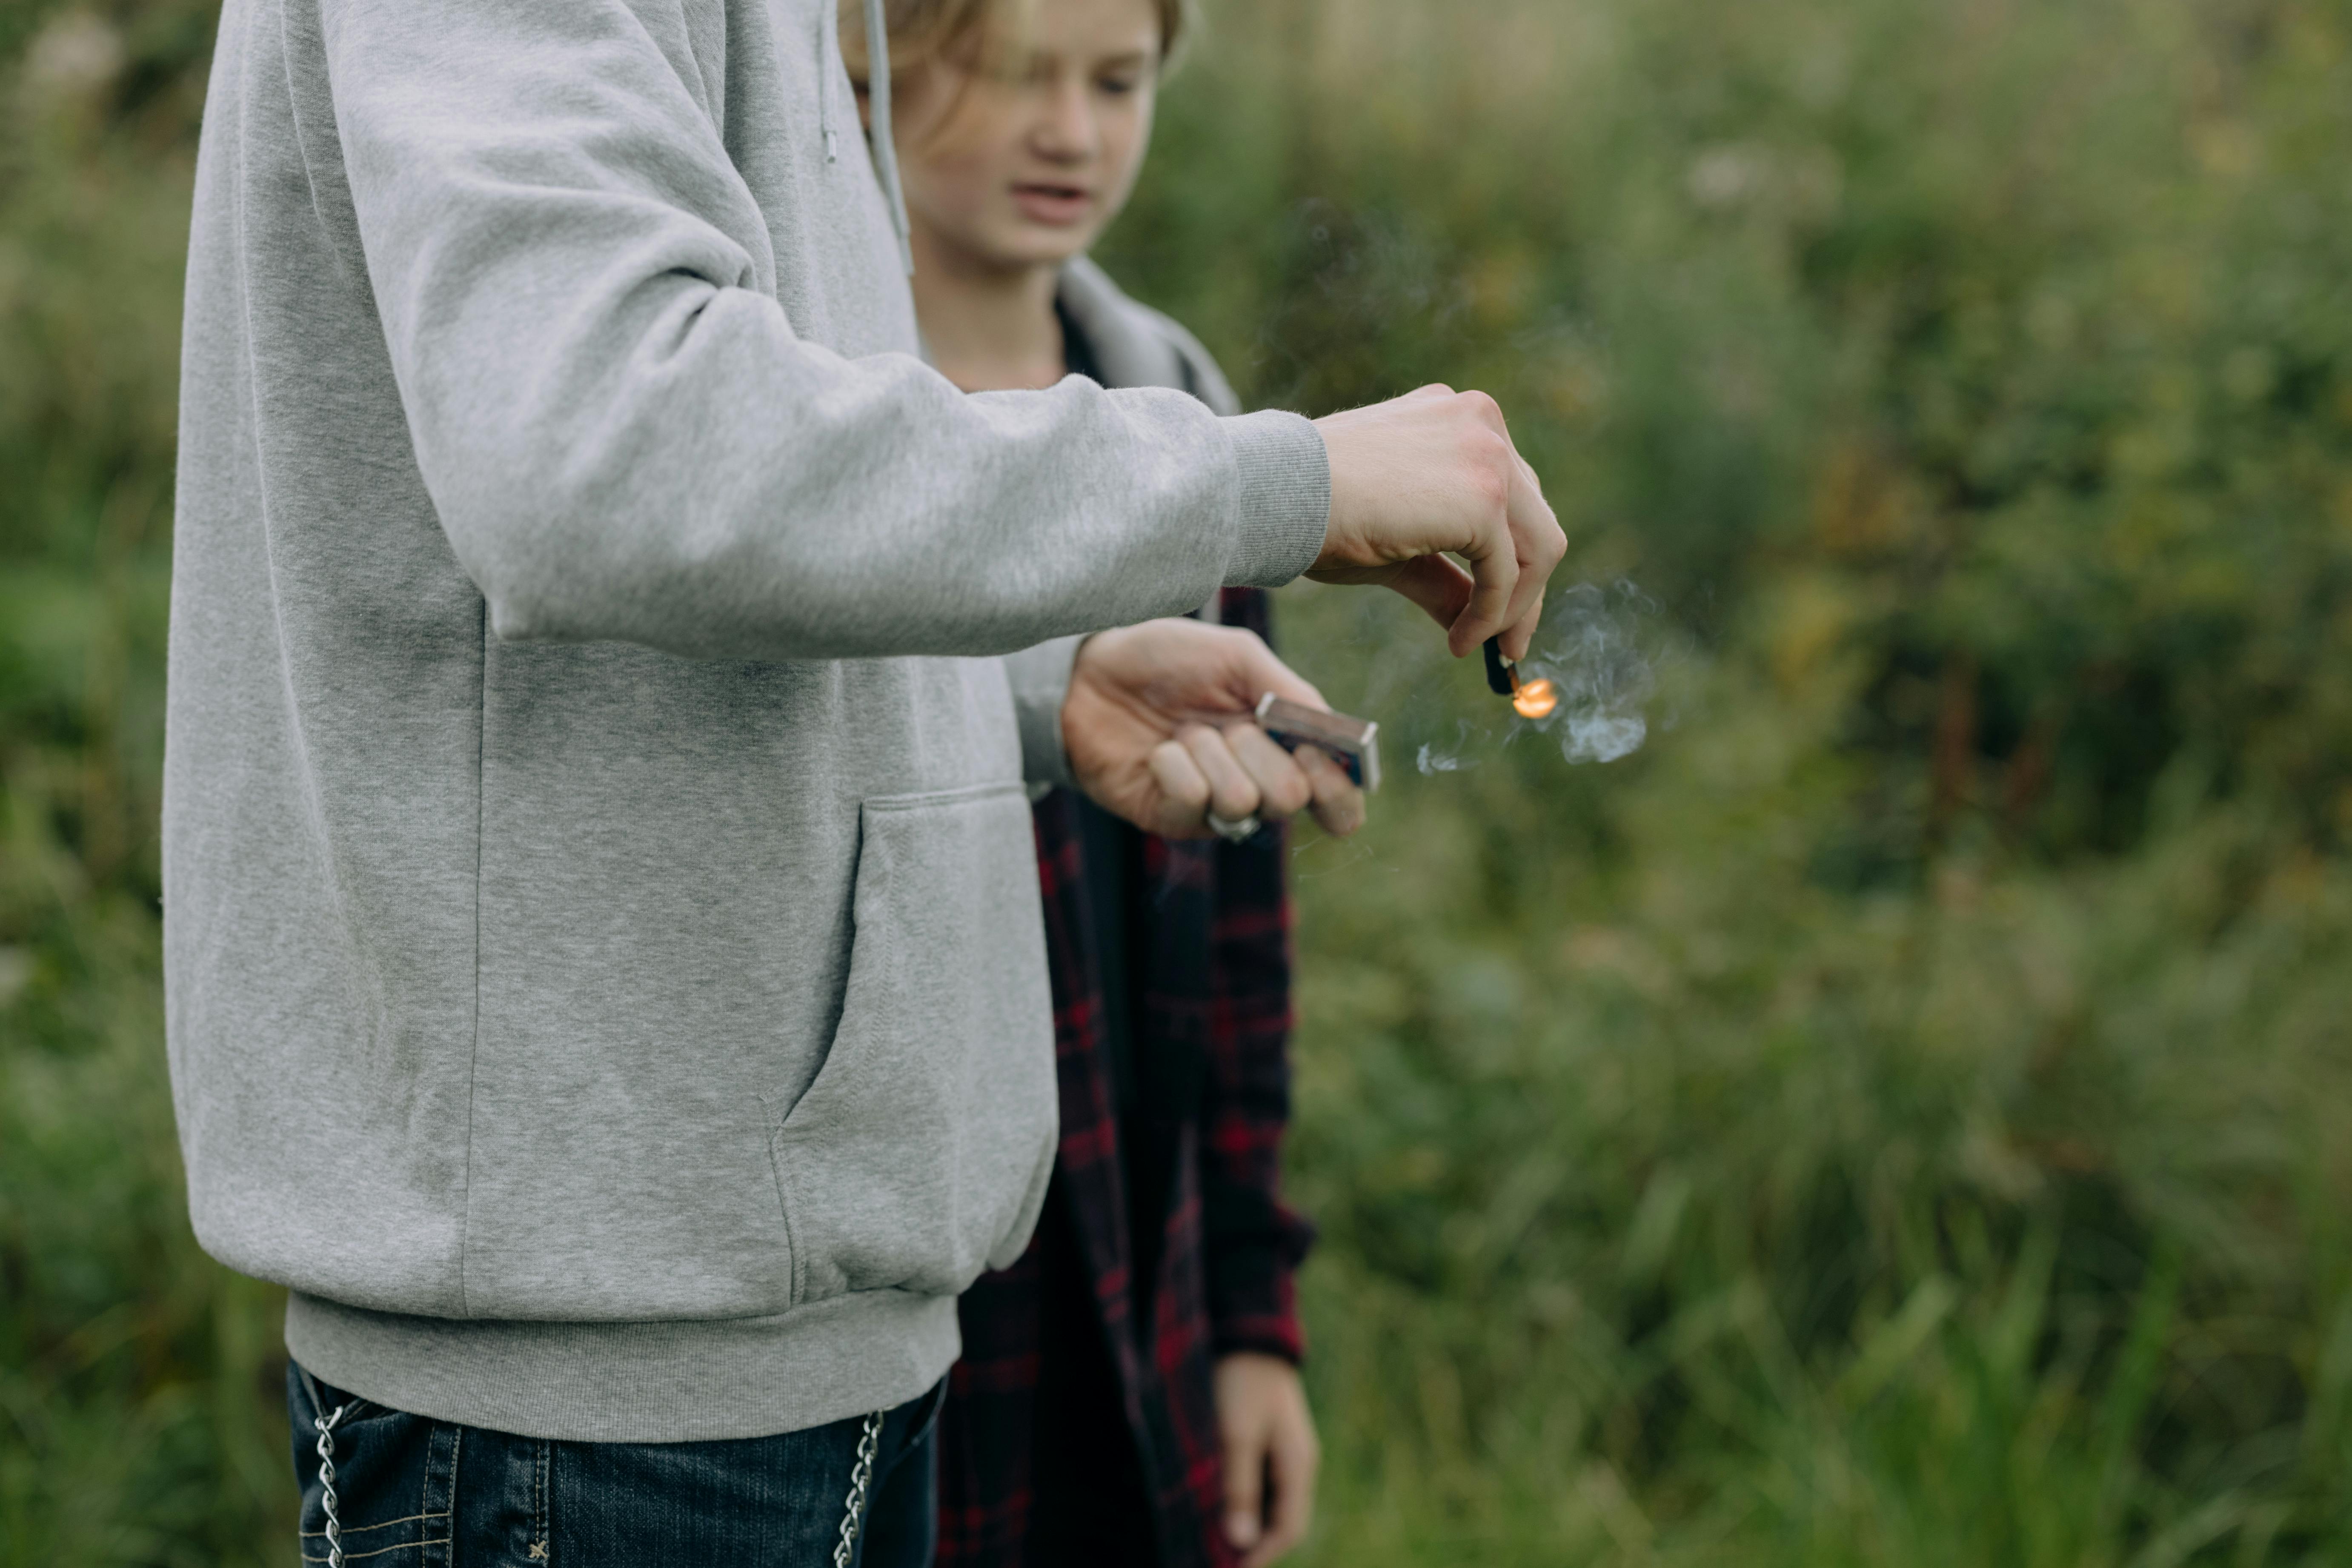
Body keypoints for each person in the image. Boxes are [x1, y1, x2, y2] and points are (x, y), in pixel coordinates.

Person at [165, 0, 1562, 1560]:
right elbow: (603, 446)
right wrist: (1272, 476)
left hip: (792, 1351)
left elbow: (737, 518)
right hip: (597, 1412)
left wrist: (1029, 688)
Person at [847, 2, 1316, 1563]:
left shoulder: (1182, 421)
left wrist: (1250, 1316)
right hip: (894, 1279)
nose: (1072, 130)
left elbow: (1242, 945)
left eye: (1117, 81)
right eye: (1010, 74)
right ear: (870, 61)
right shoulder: (798, 434)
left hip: (1129, 1269)